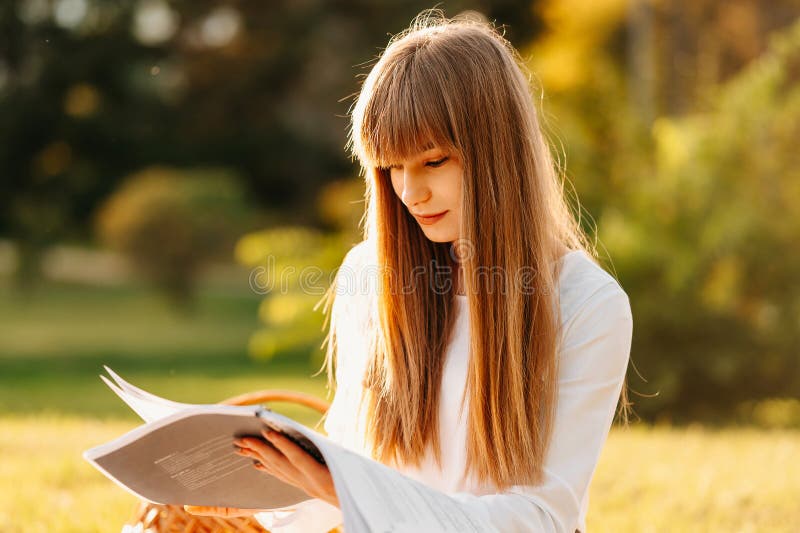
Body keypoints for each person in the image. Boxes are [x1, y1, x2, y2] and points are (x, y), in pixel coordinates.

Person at [187, 9, 633, 533]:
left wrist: (345, 490)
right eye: (392, 166)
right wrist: (261, 497)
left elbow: (540, 518)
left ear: (498, 153)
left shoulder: (587, 304)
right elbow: (354, 468)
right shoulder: (370, 276)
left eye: (433, 161)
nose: (409, 193)